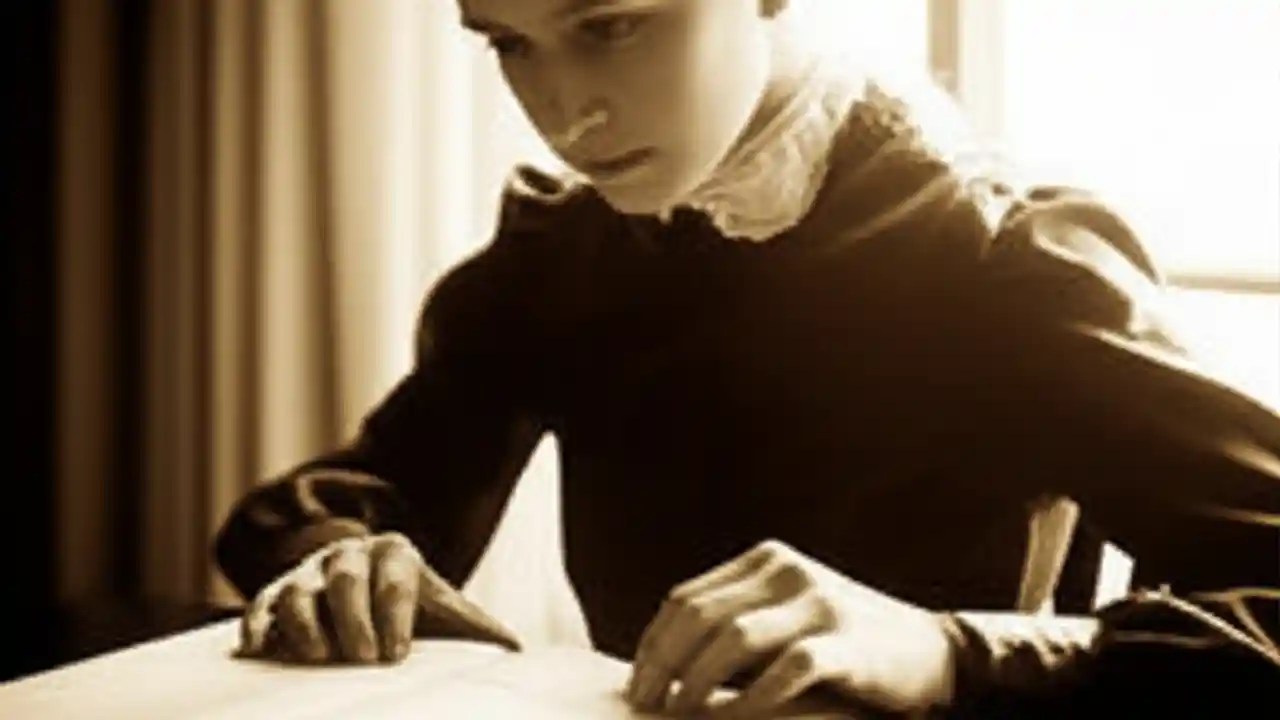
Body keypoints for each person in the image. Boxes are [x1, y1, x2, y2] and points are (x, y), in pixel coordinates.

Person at [214, 0, 1280, 716]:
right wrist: (340, 558)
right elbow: (349, 495)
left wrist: (946, 651)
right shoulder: (562, 251)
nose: (562, 115)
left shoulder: (1008, 261)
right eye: (508, 42)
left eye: (611, 24)